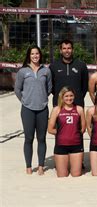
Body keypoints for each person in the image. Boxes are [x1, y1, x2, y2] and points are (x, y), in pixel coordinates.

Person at [14, 46, 52, 175]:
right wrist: (25, 101)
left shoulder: (46, 71)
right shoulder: (23, 71)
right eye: (32, 54)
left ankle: (41, 166)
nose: (35, 56)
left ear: (40, 55)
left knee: (41, 138)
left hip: (42, 109)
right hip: (27, 109)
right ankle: (29, 167)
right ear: (29, 56)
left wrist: (40, 98)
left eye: (37, 53)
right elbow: (17, 90)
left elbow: (49, 88)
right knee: (28, 138)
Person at [47, 86, 86, 177]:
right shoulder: (57, 109)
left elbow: (83, 128)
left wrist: (74, 134)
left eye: (71, 96)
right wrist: (63, 133)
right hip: (61, 145)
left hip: (76, 145)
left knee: (76, 174)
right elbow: (50, 129)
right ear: (62, 97)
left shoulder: (79, 109)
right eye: (66, 96)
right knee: (62, 175)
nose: (69, 98)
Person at [50, 39, 88, 107]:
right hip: (59, 103)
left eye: (69, 48)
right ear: (60, 51)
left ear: (72, 50)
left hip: (77, 104)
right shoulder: (53, 66)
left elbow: (84, 86)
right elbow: (52, 87)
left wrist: (78, 97)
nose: (67, 51)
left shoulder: (81, 65)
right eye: (64, 48)